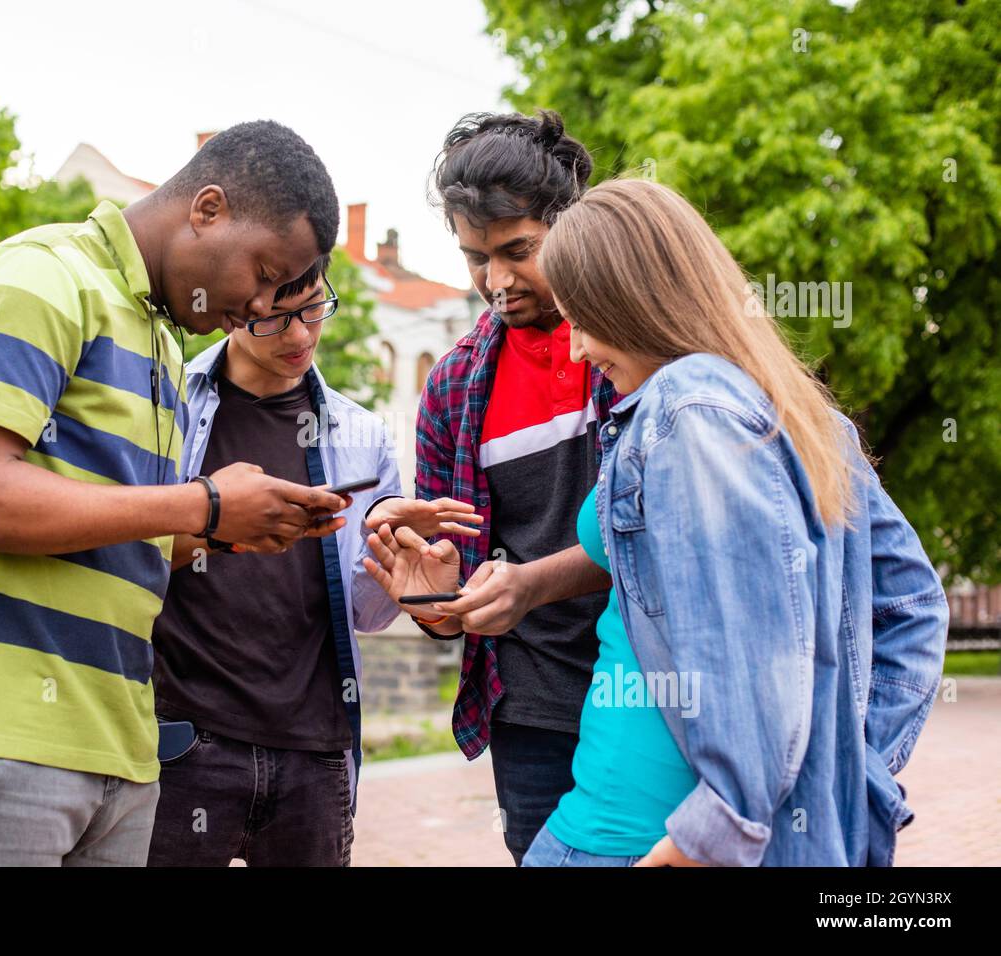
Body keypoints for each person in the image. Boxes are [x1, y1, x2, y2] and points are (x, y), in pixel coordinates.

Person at [388, 177, 949, 866]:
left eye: (585, 319)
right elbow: (913, 605)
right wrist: (849, 769)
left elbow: (742, 645)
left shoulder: (684, 409)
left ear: (638, 302)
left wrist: (713, 831)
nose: (576, 348)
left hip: (632, 835)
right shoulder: (798, 412)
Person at [0, 120, 353, 867]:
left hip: (120, 746)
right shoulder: (40, 277)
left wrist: (229, 530)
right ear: (208, 209)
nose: (258, 308)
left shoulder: (156, 339)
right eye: (263, 272)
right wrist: (203, 504)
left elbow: (109, 536)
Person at [362, 109, 618, 864]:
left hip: (651, 687)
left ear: (573, 227)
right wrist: (439, 605)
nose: (496, 282)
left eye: (518, 251)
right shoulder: (452, 387)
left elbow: (659, 527)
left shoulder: (637, 345)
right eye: (476, 257)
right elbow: (460, 587)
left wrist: (531, 585)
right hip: (531, 709)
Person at [148, 257, 455, 866]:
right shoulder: (168, 409)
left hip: (315, 752)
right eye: (276, 319)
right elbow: (129, 558)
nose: (301, 336)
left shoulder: (361, 435)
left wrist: (401, 576)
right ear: (234, 311)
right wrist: (214, 525)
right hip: (182, 743)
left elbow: (363, 616)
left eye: (314, 307)